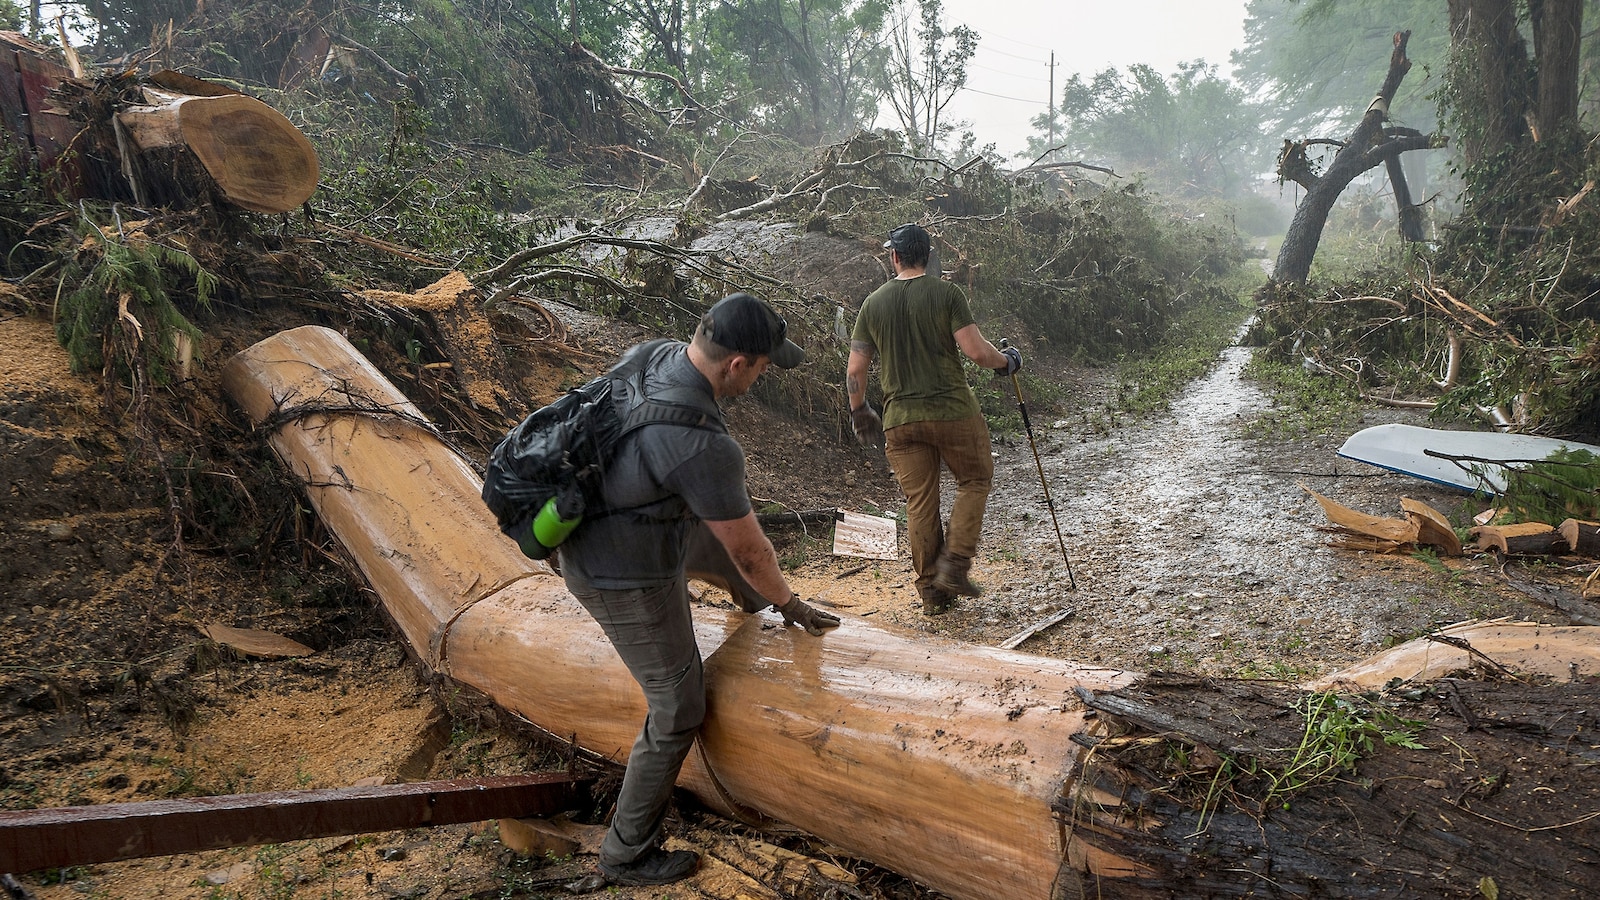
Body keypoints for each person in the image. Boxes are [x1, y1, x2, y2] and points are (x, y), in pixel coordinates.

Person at [557, 292, 841, 887]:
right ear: (738, 363)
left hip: (618, 522)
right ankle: (625, 853)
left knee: (715, 539)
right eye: (763, 366)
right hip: (621, 574)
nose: (762, 377)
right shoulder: (704, 445)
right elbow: (749, 548)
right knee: (679, 705)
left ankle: (754, 601)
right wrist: (790, 601)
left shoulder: (653, 354)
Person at [845, 223, 1020, 616]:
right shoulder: (947, 294)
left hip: (900, 420)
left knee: (920, 501)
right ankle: (955, 566)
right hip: (952, 411)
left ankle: (932, 593)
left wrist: (859, 410)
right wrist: (1007, 362)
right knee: (975, 479)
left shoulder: (873, 303)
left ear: (894, 257)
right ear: (929, 257)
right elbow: (976, 351)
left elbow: (855, 369)